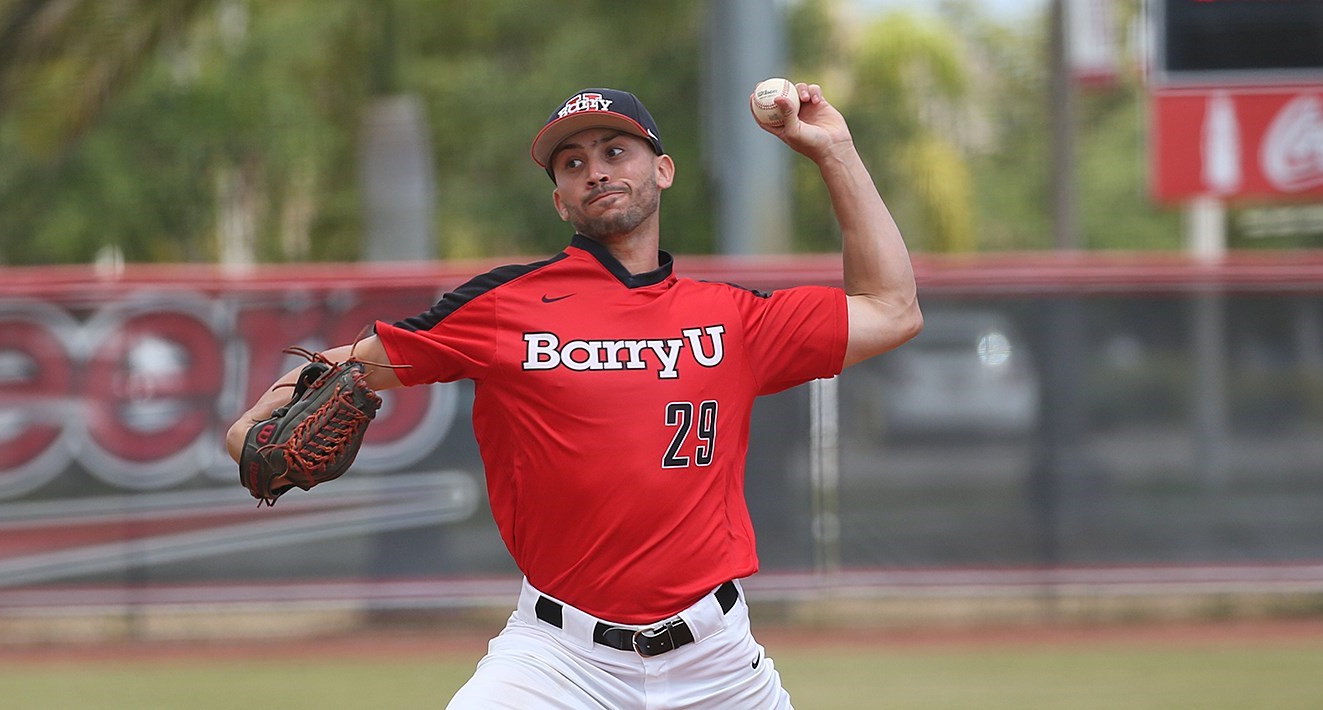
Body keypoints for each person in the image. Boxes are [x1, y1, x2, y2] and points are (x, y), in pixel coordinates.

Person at [228, 84, 920, 708]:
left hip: (719, 665)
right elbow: (350, 368)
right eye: (573, 163)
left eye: (616, 151)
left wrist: (835, 152)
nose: (596, 170)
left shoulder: (734, 318)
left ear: (662, 170)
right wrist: (251, 425)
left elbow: (892, 309)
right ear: (561, 200)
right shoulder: (505, 304)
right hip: (559, 662)